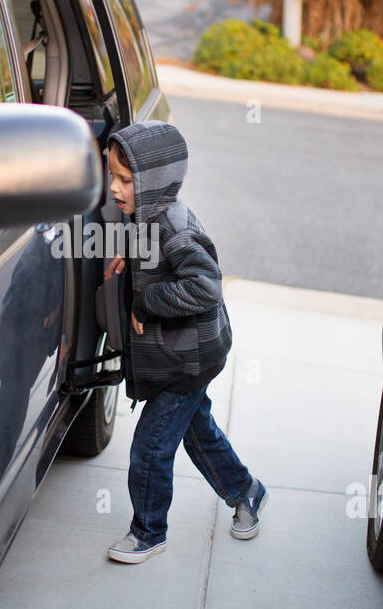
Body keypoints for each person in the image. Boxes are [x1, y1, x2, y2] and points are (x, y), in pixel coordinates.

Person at [102, 120, 267, 564]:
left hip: (190, 358)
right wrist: (125, 247)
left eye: (125, 180)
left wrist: (146, 302)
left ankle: (149, 531)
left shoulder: (176, 227)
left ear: (153, 181)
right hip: (183, 354)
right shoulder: (147, 216)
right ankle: (247, 489)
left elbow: (205, 286)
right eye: (112, 176)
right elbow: (146, 240)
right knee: (198, 432)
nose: (115, 188)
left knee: (151, 447)